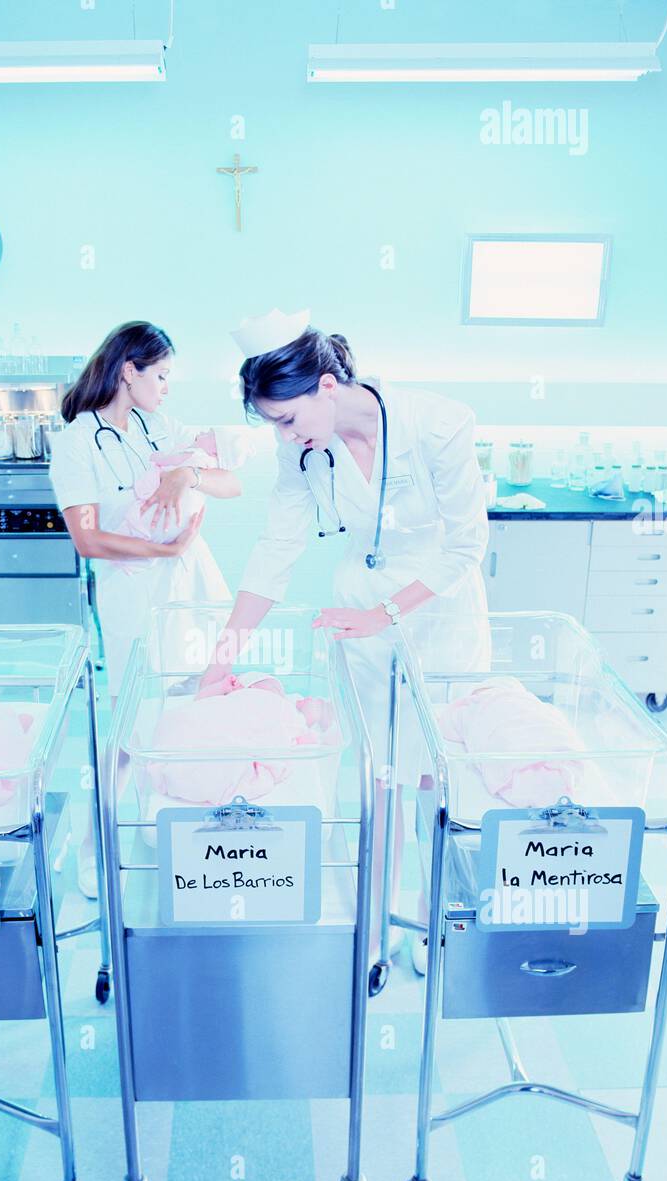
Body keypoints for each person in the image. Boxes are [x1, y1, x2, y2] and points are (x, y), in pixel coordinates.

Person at [201, 309, 490, 973]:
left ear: (325, 387)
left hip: (438, 605)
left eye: (287, 418)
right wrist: (222, 657)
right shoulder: (302, 446)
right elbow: (276, 547)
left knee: (432, 774)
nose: (283, 434)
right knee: (379, 776)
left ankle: (432, 918)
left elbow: (466, 545)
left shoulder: (436, 424)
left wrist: (387, 613)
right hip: (362, 608)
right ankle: (376, 918)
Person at [50, 320, 242, 893]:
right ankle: (92, 846)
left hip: (191, 582)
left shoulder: (161, 426)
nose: (166, 387)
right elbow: (86, 539)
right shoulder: (76, 441)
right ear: (127, 370)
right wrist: (161, 547)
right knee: (131, 724)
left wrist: (188, 473)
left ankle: (169, 828)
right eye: (159, 375)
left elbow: (231, 483)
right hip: (133, 589)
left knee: (191, 704)